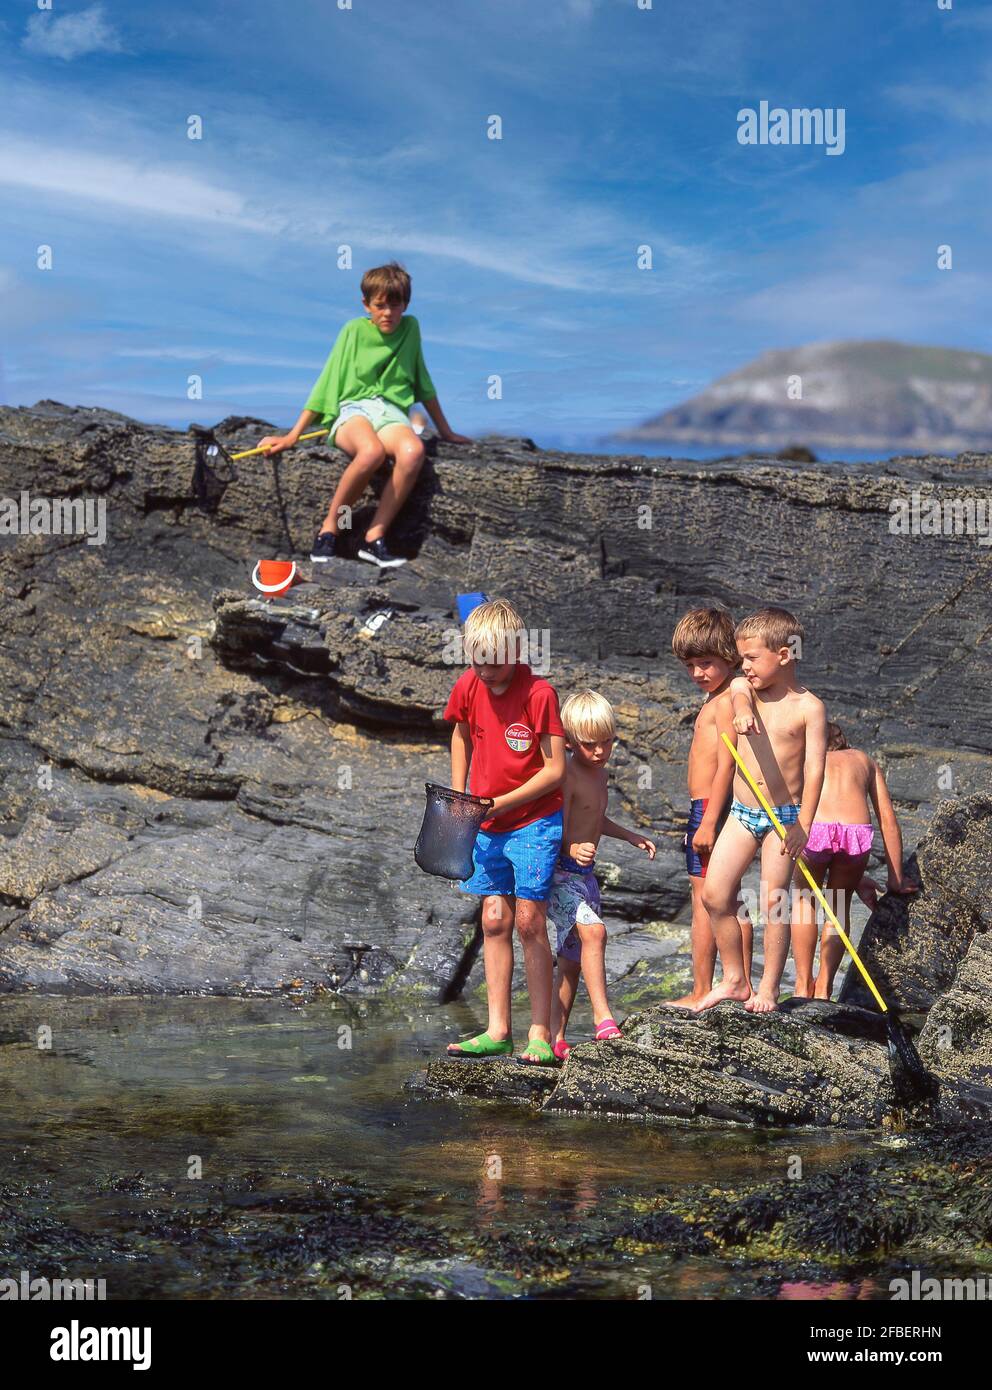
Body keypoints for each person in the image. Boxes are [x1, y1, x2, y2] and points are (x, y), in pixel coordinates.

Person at [256, 261, 469, 568]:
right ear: (366, 304)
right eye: (380, 306)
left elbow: (422, 381)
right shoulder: (353, 330)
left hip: (391, 412)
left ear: (406, 304)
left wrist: (446, 431)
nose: (388, 313)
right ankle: (329, 529)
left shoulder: (411, 329)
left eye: (395, 305)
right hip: (353, 409)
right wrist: (292, 435)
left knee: (413, 451)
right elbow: (327, 382)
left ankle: (374, 536)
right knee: (371, 453)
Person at [443, 599, 566, 1066]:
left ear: (517, 651)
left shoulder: (539, 694)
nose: (485, 671)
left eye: (494, 662)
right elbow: (460, 733)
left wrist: (501, 803)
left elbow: (555, 771)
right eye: (477, 660)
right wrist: (460, 794)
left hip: (534, 822)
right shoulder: (469, 685)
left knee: (530, 922)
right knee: (494, 920)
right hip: (485, 822)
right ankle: (498, 1030)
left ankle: (540, 1032)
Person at [698, 607, 827, 1014]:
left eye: (753, 658)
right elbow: (737, 691)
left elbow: (815, 769)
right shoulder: (745, 689)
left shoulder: (810, 708)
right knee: (715, 895)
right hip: (742, 813)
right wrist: (741, 710)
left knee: (775, 902)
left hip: (784, 819)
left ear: (785, 655)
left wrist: (804, 824)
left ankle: (768, 988)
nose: (745, 666)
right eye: (742, 658)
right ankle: (735, 979)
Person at [547, 691, 656, 1059]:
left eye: (607, 742)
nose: (599, 752)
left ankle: (556, 1038)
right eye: (589, 744)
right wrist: (571, 848)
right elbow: (556, 826)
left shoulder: (600, 774)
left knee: (570, 962)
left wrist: (629, 836)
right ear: (570, 741)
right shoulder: (567, 775)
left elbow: (594, 816)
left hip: (586, 877)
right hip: (561, 876)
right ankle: (603, 1019)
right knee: (595, 933)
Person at [788, 722, 918, 999]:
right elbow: (888, 821)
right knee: (838, 905)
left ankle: (802, 985)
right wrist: (895, 878)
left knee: (804, 900)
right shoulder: (864, 761)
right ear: (843, 740)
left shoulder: (806, 761)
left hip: (815, 829)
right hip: (855, 833)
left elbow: (788, 805)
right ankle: (824, 987)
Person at [668, 608, 753, 1007]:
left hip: (711, 808)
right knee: (719, 896)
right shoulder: (717, 697)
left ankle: (707, 988)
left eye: (705, 663)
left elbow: (727, 763)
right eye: (690, 665)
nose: (698, 673)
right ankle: (733, 984)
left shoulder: (726, 699)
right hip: (704, 807)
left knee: (710, 898)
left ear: (728, 656)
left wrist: (709, 821)